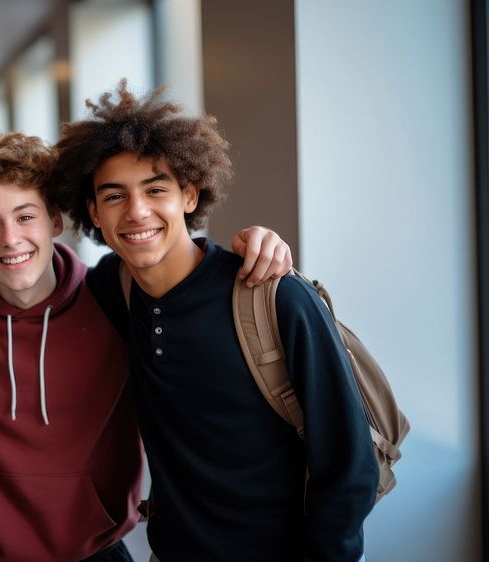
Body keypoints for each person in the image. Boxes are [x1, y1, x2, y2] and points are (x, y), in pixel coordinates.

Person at [51, 81, 379, 561]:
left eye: (155, 189)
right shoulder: (112, 290)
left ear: (189, 193)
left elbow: (350, 465)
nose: (137, 211)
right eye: (115, 196)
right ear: (94, 213)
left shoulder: (274, 296)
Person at [0, 132, 293, 562]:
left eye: (25, 217)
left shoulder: (113, 296)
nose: (10, 239)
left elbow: (180, 274)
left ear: (56, 222)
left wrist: (260, 241)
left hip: (98, 551)